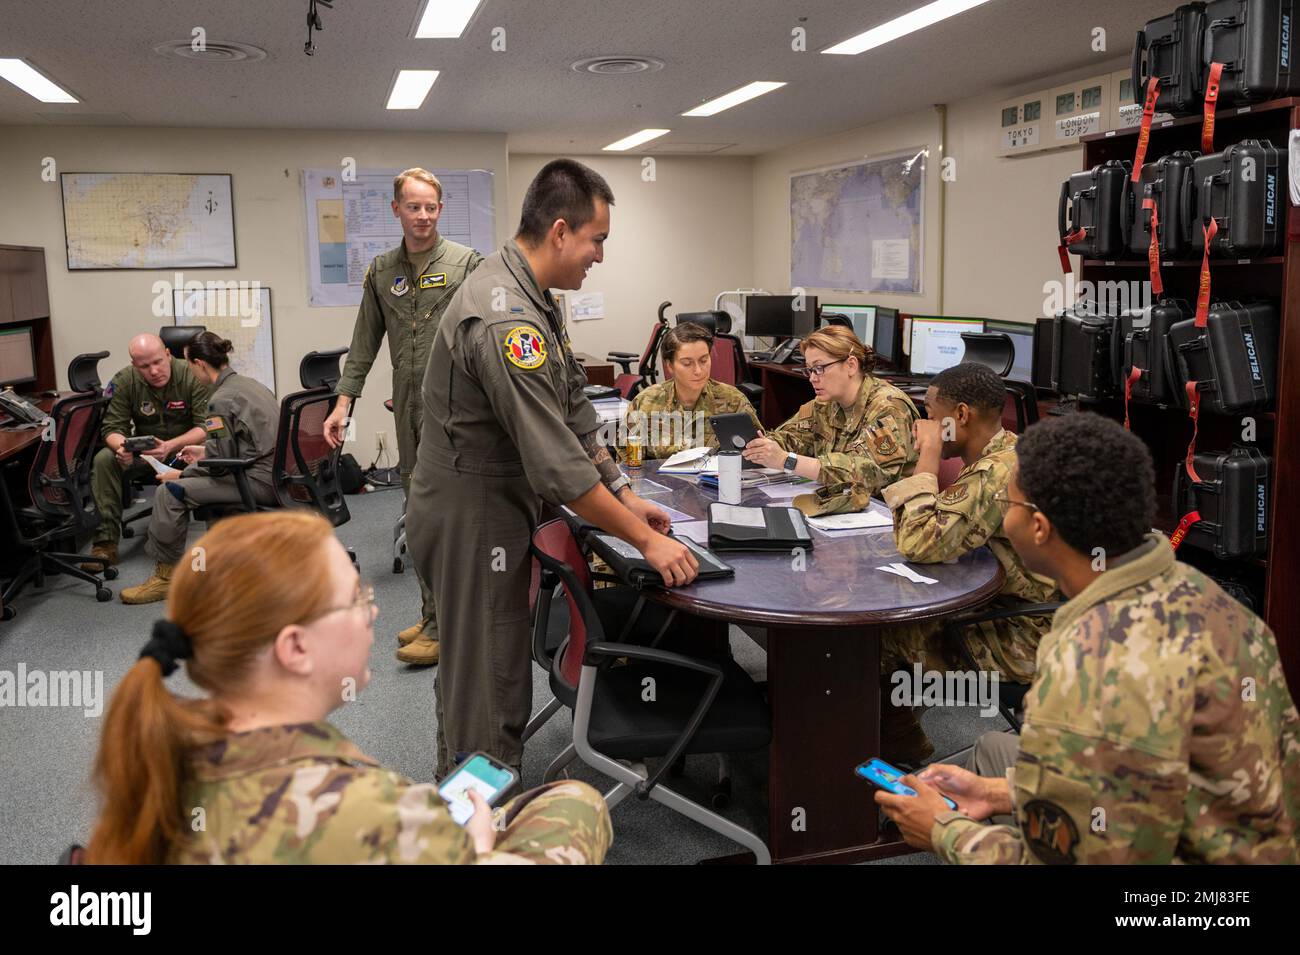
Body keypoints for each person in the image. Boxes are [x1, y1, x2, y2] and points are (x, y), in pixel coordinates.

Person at [876, 413, 1300, 864]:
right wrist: (1001, 794)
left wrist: (943, 831)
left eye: (1008, 502)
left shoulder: (1087, 661)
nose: (1005, 513)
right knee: (992, 750)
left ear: (1038, 527)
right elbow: (1144, 773)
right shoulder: (1216, 604)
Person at [87, 511, 612, 864]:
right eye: (354, 599)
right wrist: (469, 851)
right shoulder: (365, 810)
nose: (374, 611)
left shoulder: (166, 759)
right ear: (295, 647)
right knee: (577, 803)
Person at [406, 158, 699, 777]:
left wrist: (622, 490)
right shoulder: (507, 316)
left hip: (493, 496)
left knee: (481, 666)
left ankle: (467, 802)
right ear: (560, 231)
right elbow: (555, 465)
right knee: (486, 680)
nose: (599, 255)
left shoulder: (535, 295)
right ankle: (474, 832)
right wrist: (641, 538)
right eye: (597, 241)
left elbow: (571, 407)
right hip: (471, 509)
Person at [323, 168, 484, 666]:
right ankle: (431, 612)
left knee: (443, 517)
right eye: (413, 206)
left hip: (455, 408)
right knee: (417, 512)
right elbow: (364, 345)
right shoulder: (381, 271)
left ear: (440, 210)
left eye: (431, 207)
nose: (423, 215)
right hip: (407, 405)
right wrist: (342, 403)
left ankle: (445, 625)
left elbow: (489, 334)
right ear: (396, 209)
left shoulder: (465, 264)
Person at [877, 363, 1057, 764]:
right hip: (1030, 612)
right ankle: (893, 737)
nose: (924, 423)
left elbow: (917, 542)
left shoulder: (996, 472)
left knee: (875, 638)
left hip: (1026, 635)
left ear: (960, 415)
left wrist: (928, 453)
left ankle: (893, 749)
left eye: (930, 414)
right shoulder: (1008, 449)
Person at [119, 332, 279, 604]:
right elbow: (245, 444)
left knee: (170, 492)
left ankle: (165, 579)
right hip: (277, 475)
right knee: (206, 493)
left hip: (258, 481)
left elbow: (219, 467)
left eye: (190, 366)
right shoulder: (251, 386)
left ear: (200, 364)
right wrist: (205, 451)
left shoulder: (219, 401)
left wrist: (180, 474)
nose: (190, 373)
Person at [742, 325, 919, 515]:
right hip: (841, 508)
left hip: (886, 516)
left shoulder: (888, 407)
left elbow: (871, 476)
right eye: (809, 370)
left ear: (851, 365)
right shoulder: (826, 403)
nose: (812, 379)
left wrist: (787, 460)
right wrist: (764, 447)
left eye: (819, 368)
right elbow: (791, 437)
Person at [83, 334, 210, 571]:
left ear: (168, 355)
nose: (153, 371)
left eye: (158, 362)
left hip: (186, 454)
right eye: (144, 366)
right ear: (134, 365)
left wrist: (170, 446)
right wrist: (123, 447)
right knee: (104, 459)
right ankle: (105, 543)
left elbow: (205, 426)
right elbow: (111, 428)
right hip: (145, 456)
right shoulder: (125, 380)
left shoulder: (191, 375)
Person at [618, 321, 761, 463]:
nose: (698, 371)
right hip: (662, 483)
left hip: (715, 483)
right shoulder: (646, 402)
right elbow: (627, 463)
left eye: (704, 360)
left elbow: (756, 454)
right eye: (687, 363)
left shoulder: (733, 400)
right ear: (669, 366)